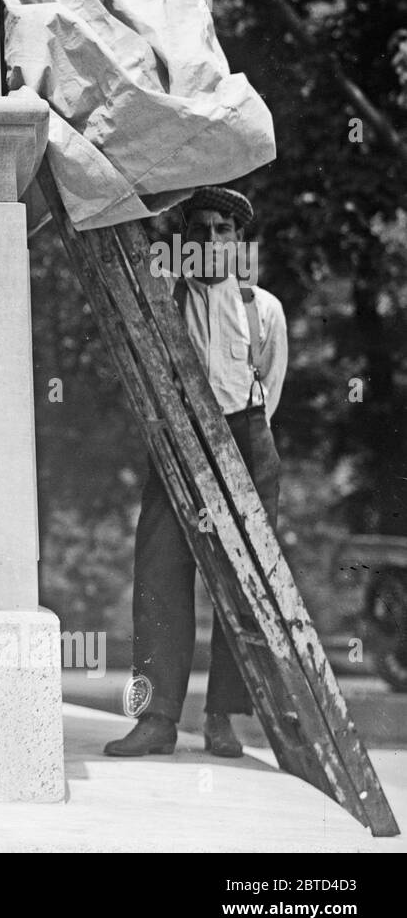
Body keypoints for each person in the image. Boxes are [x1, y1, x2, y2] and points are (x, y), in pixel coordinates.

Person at [105, 186, 288, 759]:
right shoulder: (163, 297)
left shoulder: (265, 309)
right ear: (186, 239)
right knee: (158, 574)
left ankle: (222, 718)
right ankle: (157, 719)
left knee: (246, 581)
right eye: (202, 229)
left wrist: (236, 445)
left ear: (238, 242)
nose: (212, 240)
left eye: (224, 231)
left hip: (246, 444)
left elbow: (270, 390)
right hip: (176, 444)